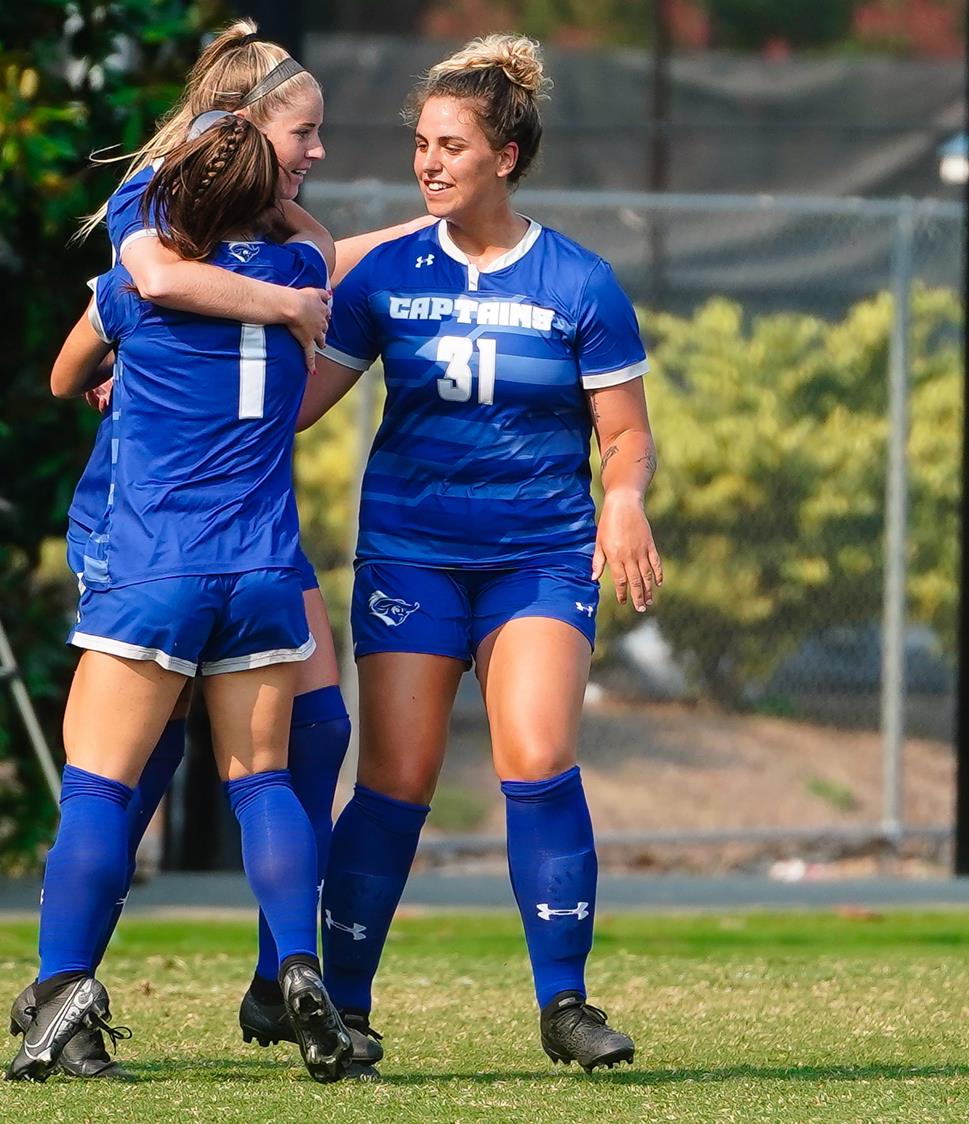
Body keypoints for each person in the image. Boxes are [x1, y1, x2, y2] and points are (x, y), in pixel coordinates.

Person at [29, 18, 425, 1079]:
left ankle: (61, 995)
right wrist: (296, 288)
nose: (318, 152)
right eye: (304, 134)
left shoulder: (138, 270)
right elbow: (301, 242)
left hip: (153, 557)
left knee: (98, 788)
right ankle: (298, 967)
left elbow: (75, 364)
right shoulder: (299, 258)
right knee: (261, 781)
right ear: (252, 143)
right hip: (259, 566)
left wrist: (119, 359)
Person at [308, 35, 658, 1073]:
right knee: (396, 780)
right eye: (418, 144)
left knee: (537, 759)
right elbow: (298, 406)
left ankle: (563, 1002)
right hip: (411, 555)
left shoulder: (576, 280)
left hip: (537, 556)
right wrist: (174, 387)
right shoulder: (383, 275)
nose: (425, 162)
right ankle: (344, 1006)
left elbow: (625, 433)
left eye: (448, 145)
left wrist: (623, 499)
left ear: (502, 156)